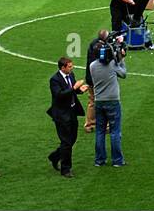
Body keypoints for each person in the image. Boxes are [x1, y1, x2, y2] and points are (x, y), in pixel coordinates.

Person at [89, 37, 127, 167]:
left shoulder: (92, 66)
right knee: (115, 131)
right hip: (112, 101)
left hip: (99, 101)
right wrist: (121, 60)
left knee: (100, 131)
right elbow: (123, 74)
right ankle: (117, 160)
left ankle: (99, 160)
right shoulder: (112, 65)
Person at [46, 57, 87, 177]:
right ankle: (66, 169)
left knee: (72, 139)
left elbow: (72, 92)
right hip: (62, 114)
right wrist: (74, 88)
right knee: (66, 142)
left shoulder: (71, 75)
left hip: (72, 112)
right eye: (69, 66)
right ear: (62, 67)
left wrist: (80, 90)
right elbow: (59, 95)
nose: (72, 68)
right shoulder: (55, 80)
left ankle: (55, 156)